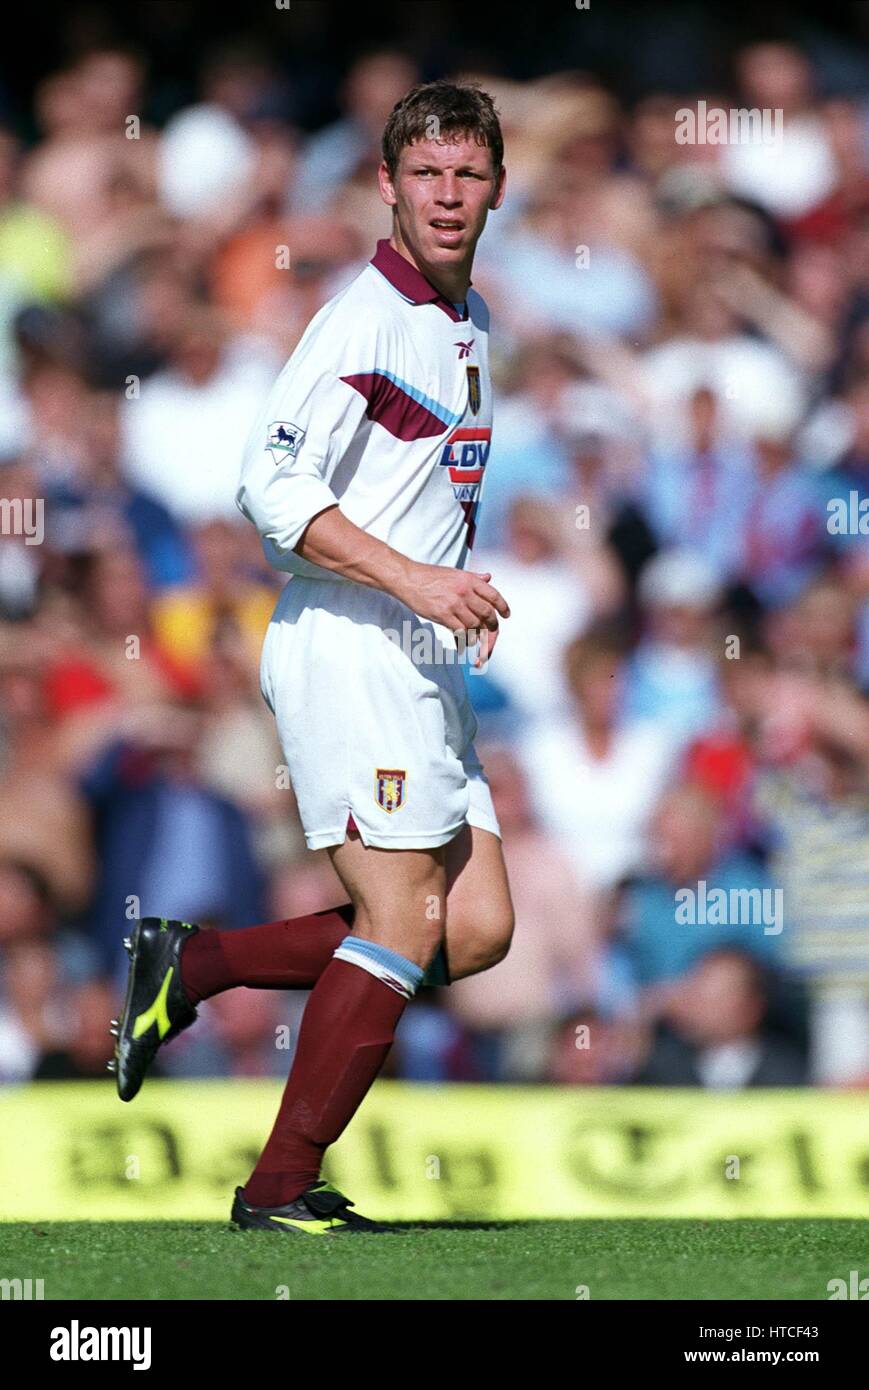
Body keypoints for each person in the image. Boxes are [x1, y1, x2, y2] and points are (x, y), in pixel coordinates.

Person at [110, 80, 515, 1235]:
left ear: (494, 187)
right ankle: (277, 1187)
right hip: (351, 644)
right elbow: (269, 484)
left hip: (422, 655)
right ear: (384, 186)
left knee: (473, 928)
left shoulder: (466, 314)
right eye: (425, 174)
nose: (446, 196)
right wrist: (416, 579)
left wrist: (445, 590)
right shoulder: (362, 320)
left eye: (467, 174)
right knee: (398, 920)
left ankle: (190, 966)